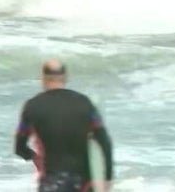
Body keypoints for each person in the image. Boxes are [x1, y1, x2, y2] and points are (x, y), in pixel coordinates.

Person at [14, 59, 114, 192]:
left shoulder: (32, 107)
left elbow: (19, 147)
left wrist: (34, 157)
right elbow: (105, 142)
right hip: (83, 184)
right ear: (64, 77)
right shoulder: (85, 103)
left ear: (43, 78)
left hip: (52, 182)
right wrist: (107, 177)